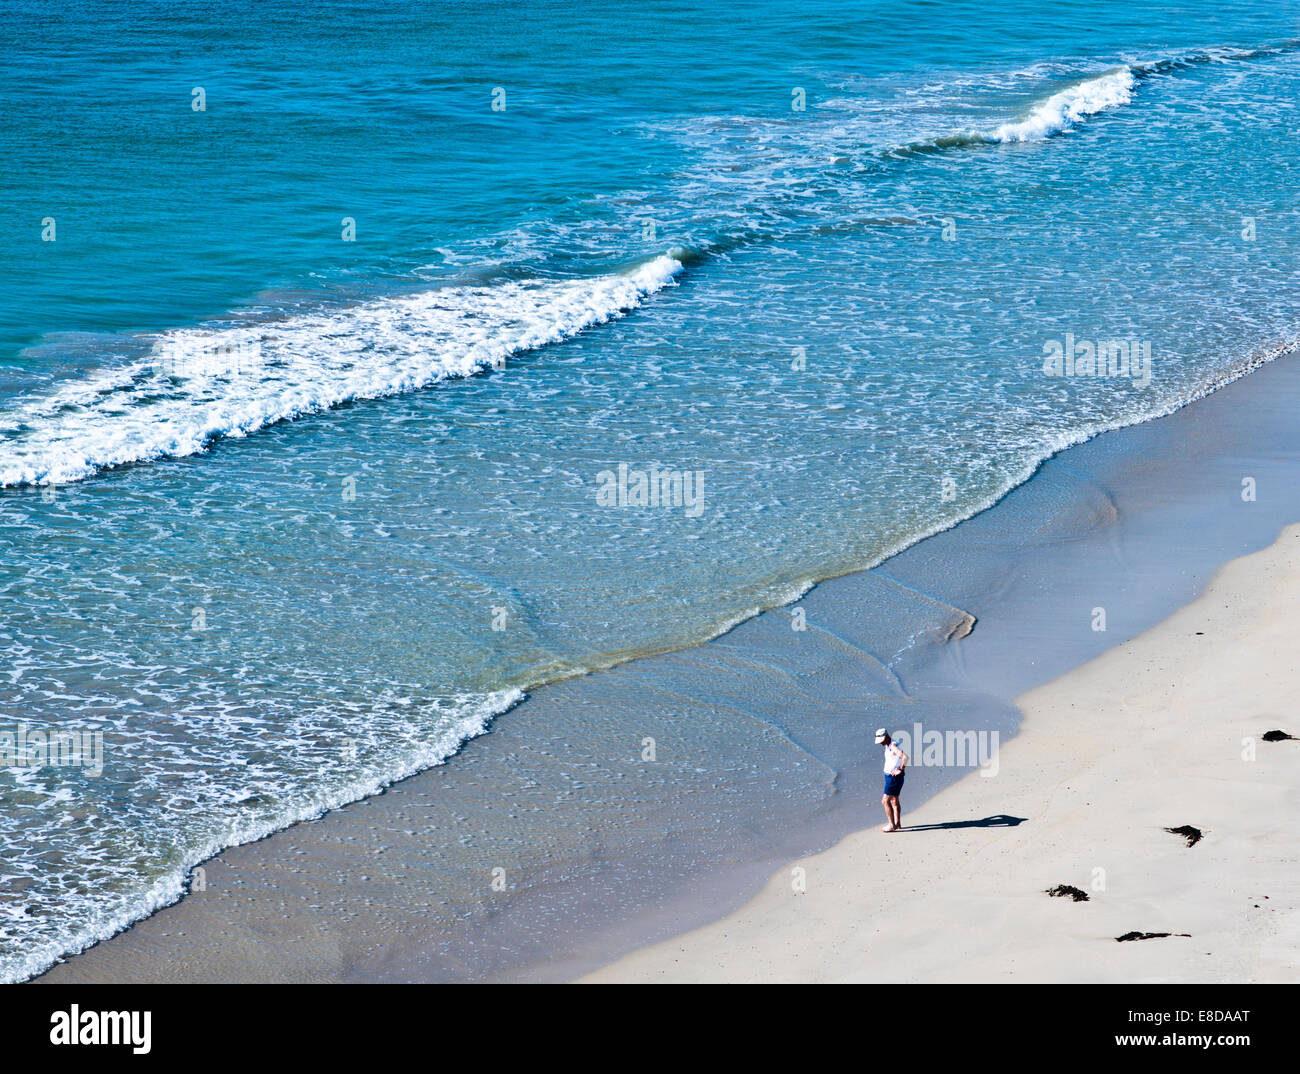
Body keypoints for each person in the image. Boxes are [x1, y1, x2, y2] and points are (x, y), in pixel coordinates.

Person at [875, 728, 907, 832]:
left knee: (885, 801)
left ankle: (891, 825)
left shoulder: (893, 746)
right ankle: (897, 823)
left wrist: (900, 770)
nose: (881, 743)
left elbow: (905, 757)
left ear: (887, 737)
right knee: (894, 800)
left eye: (882, 741)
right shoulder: (889, 744)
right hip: (893, 777)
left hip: (893, 778)